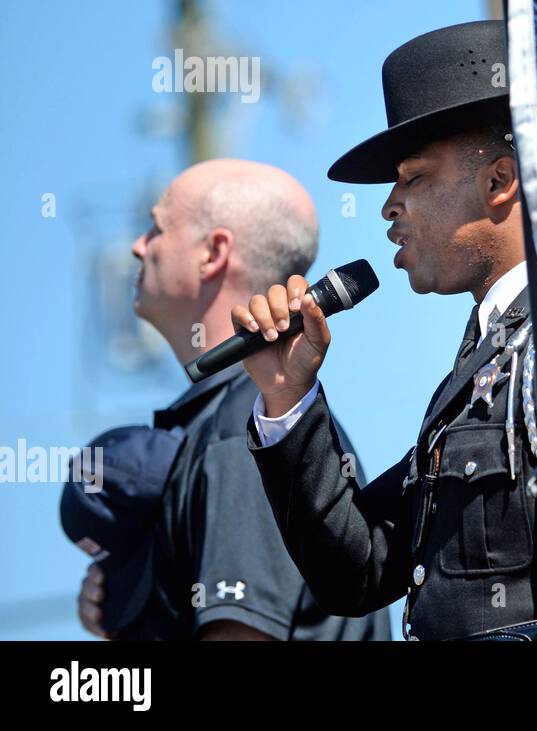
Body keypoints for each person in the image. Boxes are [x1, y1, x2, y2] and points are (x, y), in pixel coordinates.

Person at [238, 20, 537, 640]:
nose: (389, 205)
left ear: (499, 182)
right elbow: (362, 570)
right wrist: (288, 399)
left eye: (415, 176)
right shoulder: (488, 367)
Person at [75, 159, 389, 641]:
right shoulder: (242, 422)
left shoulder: (248, 434)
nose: (139, 246)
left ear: (214, 252)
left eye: (156, 229)